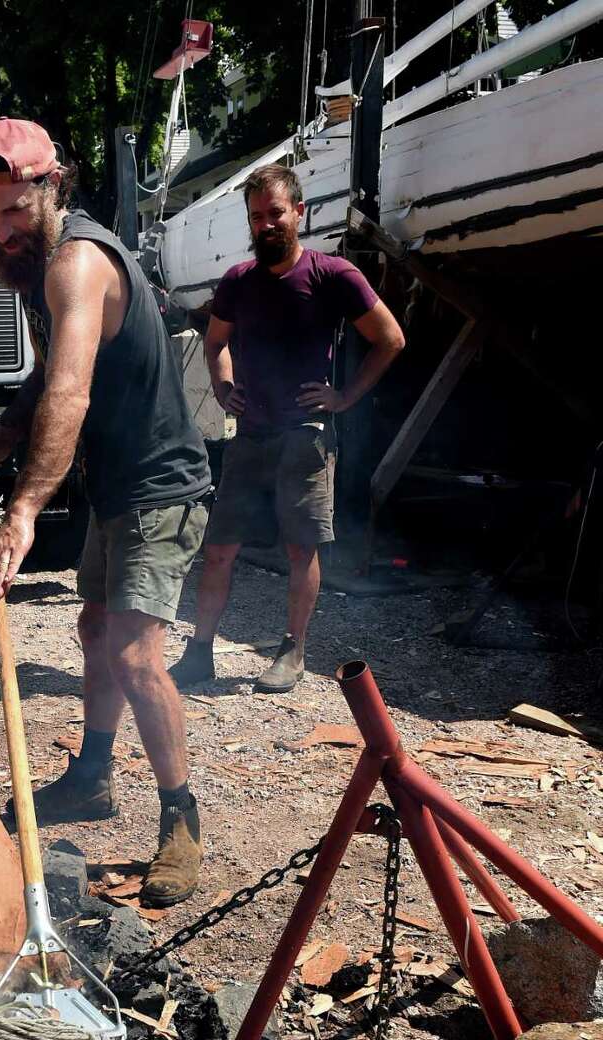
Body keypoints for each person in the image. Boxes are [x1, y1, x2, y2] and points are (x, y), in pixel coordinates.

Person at [0, 118, 213, 907]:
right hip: (114, 485)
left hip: (159, 486)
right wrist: (8, 427)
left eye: (14, 211)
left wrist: (25, 508)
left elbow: (71, 391)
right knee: (96, 628)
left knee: (134, 653)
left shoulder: (77, 263)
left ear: (53, 185)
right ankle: (94, 777)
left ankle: (181, 819)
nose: (2, 231)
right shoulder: (41, 265)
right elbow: (48, 372)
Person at [169, 164, 405, 695]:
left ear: (300, 212)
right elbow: (215, 342)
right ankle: (199, 651)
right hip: (250, 435)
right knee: (219, 548)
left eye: (276, 213)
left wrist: (344, 396)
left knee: (301, 549)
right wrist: (223, 386)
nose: (267, 224)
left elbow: (390, 338)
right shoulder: (238, 282)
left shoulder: (332, 274)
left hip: (306, 436)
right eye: (257, 216)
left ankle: (292, 651)